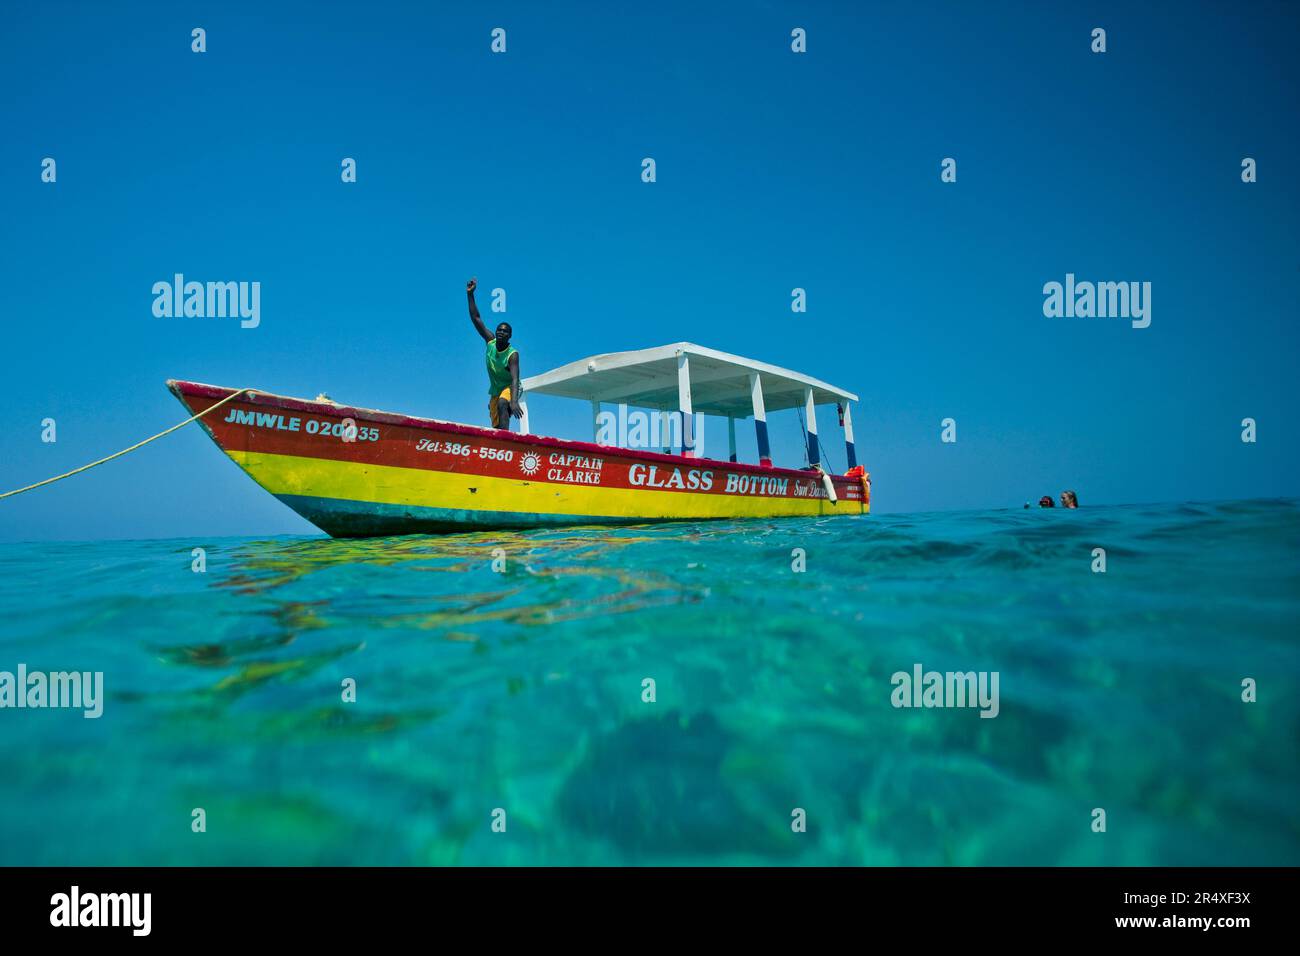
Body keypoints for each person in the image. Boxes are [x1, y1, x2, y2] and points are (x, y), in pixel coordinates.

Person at [466, 278, 522, 429]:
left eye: (505, 331)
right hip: (496, 390)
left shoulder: (512, 354)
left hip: (511, 387)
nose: (501, 333)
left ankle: (505, 441)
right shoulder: (490, 342)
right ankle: (498, 443)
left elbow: (515, 379)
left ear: (510, 336)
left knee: (504, 404)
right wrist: (470, 295)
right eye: (499, 330)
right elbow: (476, 318)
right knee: (496, 422)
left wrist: (515, 401)